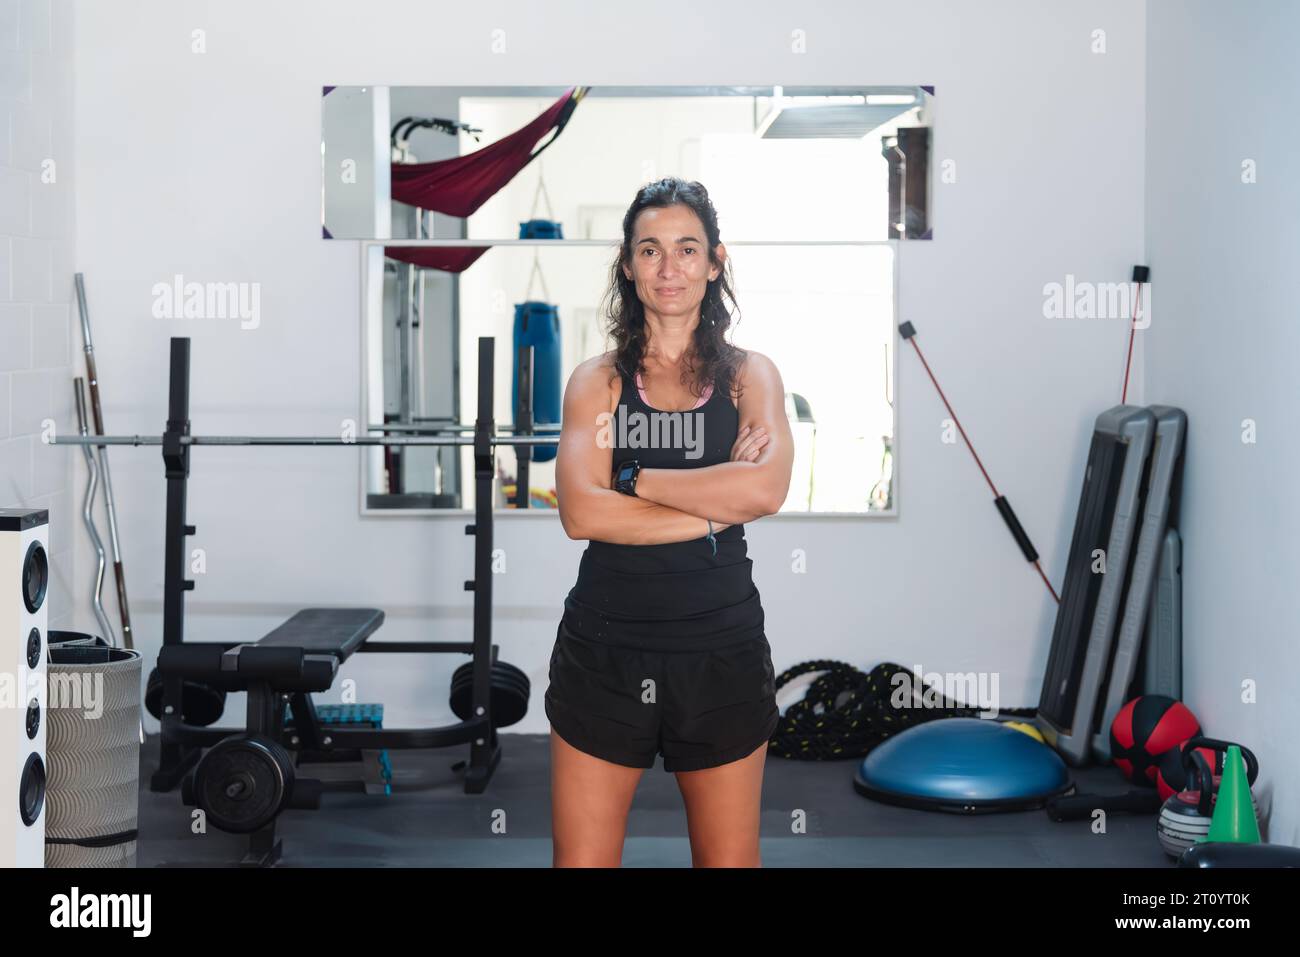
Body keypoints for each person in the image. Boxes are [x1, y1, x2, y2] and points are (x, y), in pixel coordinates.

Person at [547, 177, 794, 867]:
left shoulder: (752, 377)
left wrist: (634, 480)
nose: (668, 268)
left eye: (686, 250)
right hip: (605, 649)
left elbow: (768, 489)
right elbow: (579, 512)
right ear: (627, 264)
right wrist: (717, 503)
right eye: (650, 250)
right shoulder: (597, 382)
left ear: (715, 261)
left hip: (722, 648)